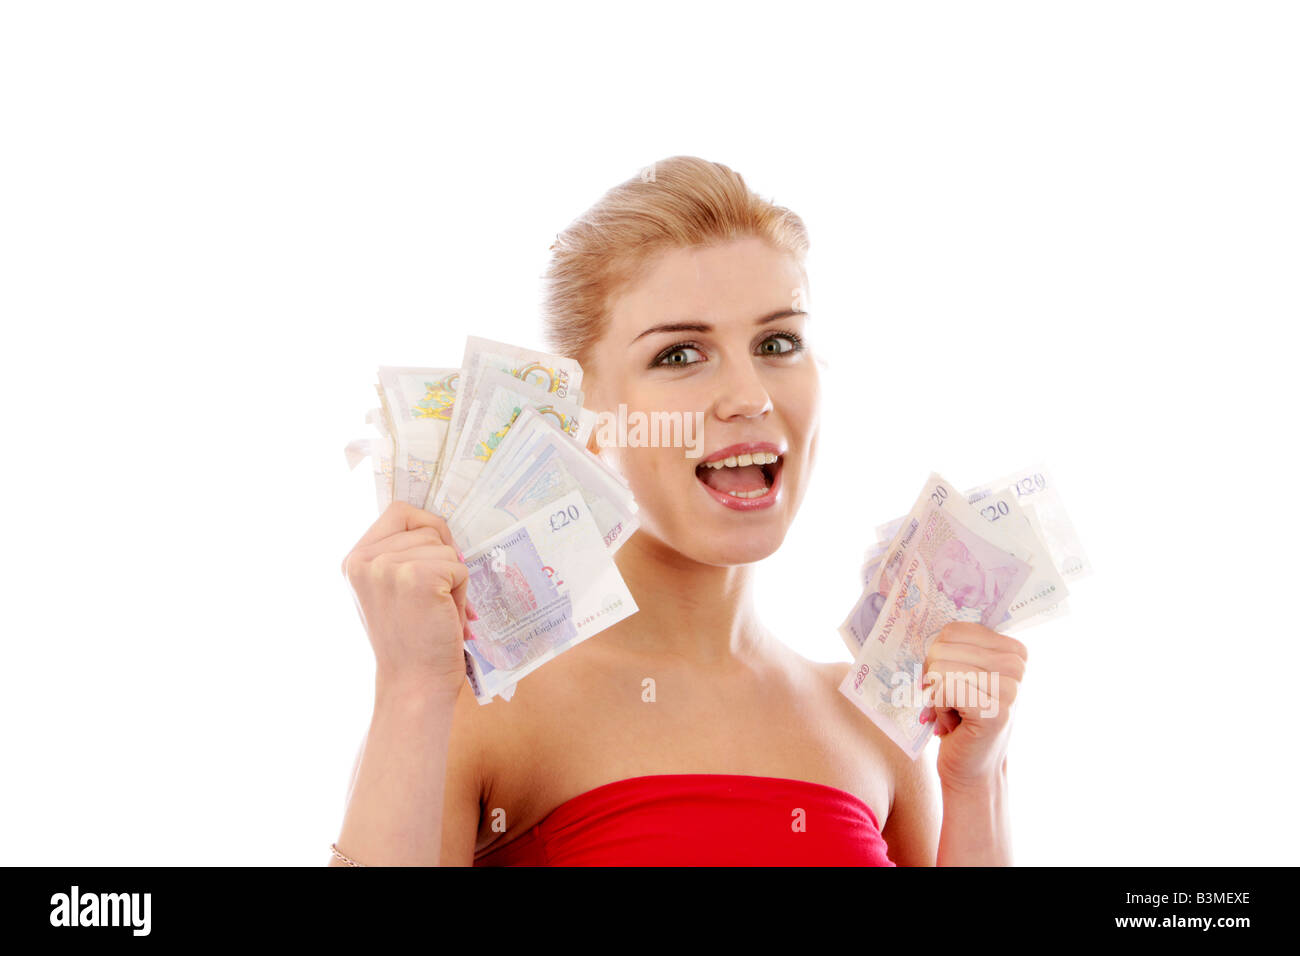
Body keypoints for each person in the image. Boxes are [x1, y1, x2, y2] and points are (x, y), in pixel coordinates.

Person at [330, 156, 1028, 866]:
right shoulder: (480, 704)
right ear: (580, 412)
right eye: (680, 354)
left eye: (777, 342)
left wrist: (979, 782)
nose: (749, 394)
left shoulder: (872, 725)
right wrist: (412, 693)